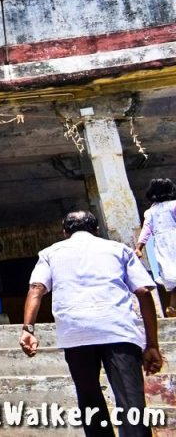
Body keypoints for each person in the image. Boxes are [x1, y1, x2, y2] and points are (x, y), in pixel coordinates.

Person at [20, 210, 164, 436]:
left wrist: (28, 329)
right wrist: (152, 344)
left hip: (75, 333)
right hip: (119, 331)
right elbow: (144, 292)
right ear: (96, 230)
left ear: (65, 232)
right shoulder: (119, 250)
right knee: (131, 401)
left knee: (89, 398)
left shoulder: (50, 253)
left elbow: (36, 288)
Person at [136, 178, 176, 317]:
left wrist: (139, 247)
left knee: (172, 278)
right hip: (173, 241)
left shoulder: (150, 212)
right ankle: (172, 308)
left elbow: (146, 230)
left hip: (162, 245)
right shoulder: (174, 205)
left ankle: (171, 308)